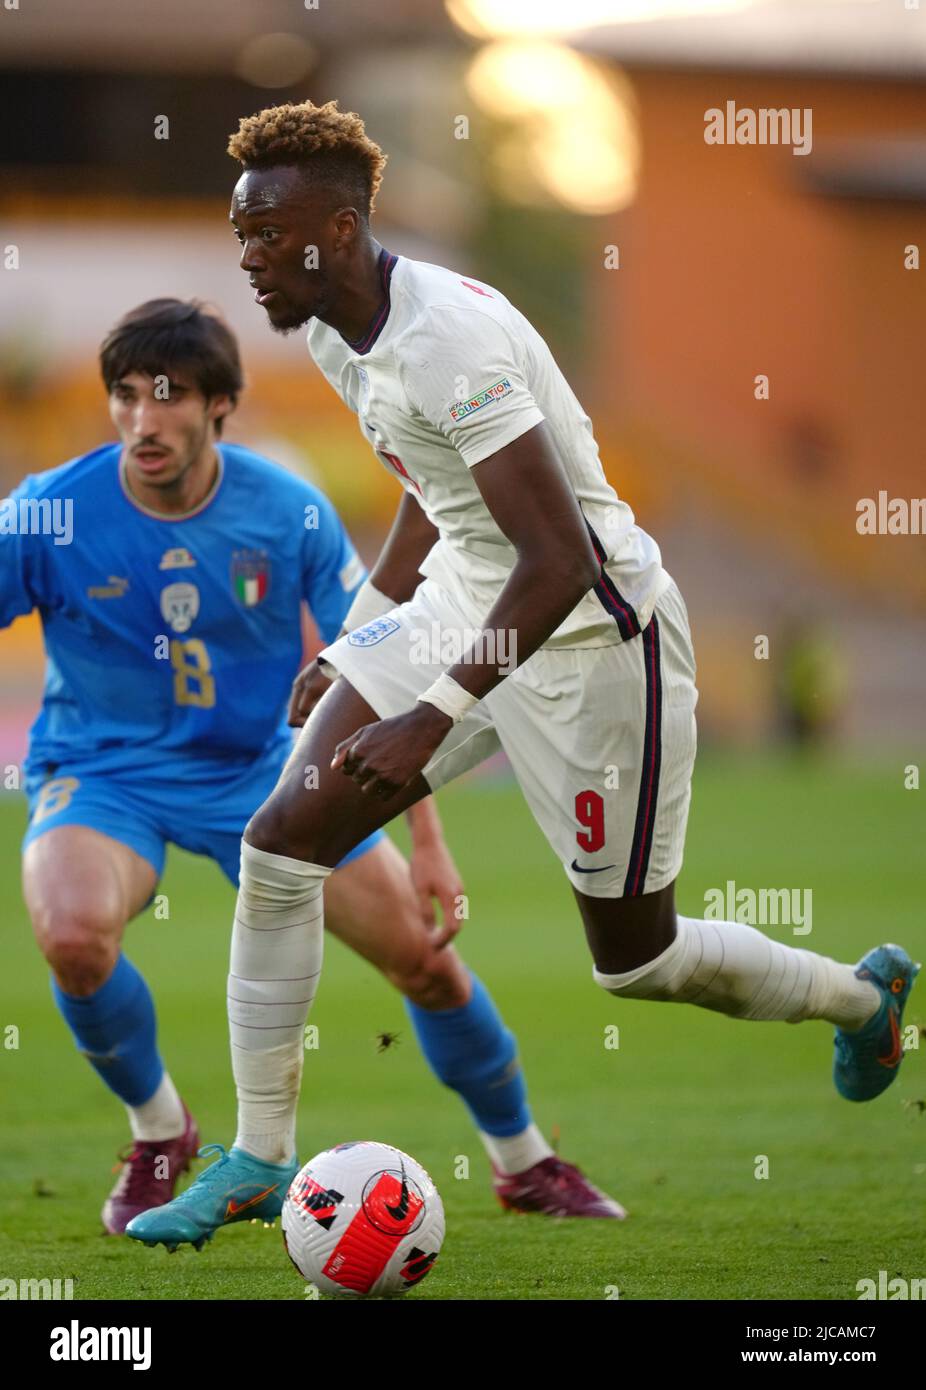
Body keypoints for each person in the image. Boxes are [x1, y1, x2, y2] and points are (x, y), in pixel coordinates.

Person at [127, 100, 918, 1253]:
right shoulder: (330, 326)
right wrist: (362, 633)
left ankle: (861, 997)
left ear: (339, 232)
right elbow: (426, 486)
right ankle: (257, 1155)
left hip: (594, 639)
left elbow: (562, 559)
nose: (245, 259)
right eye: (238, 233)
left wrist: (431, 715)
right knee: (281, 839)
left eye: (266, 236)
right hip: (468, 597)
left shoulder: (447, 335)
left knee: (634, 963)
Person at [2, 297, 621, 1240]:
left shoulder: (287, 511)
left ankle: (525, 1160)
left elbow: (384, 660)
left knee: (425, 960)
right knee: (75, 937)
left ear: (220, 406)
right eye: (124, 396)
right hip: (101, 773)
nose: (142, 420)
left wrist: (425, 841)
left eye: (167, 398)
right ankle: (161, 1134)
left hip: (261, 768)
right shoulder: (49, 512)